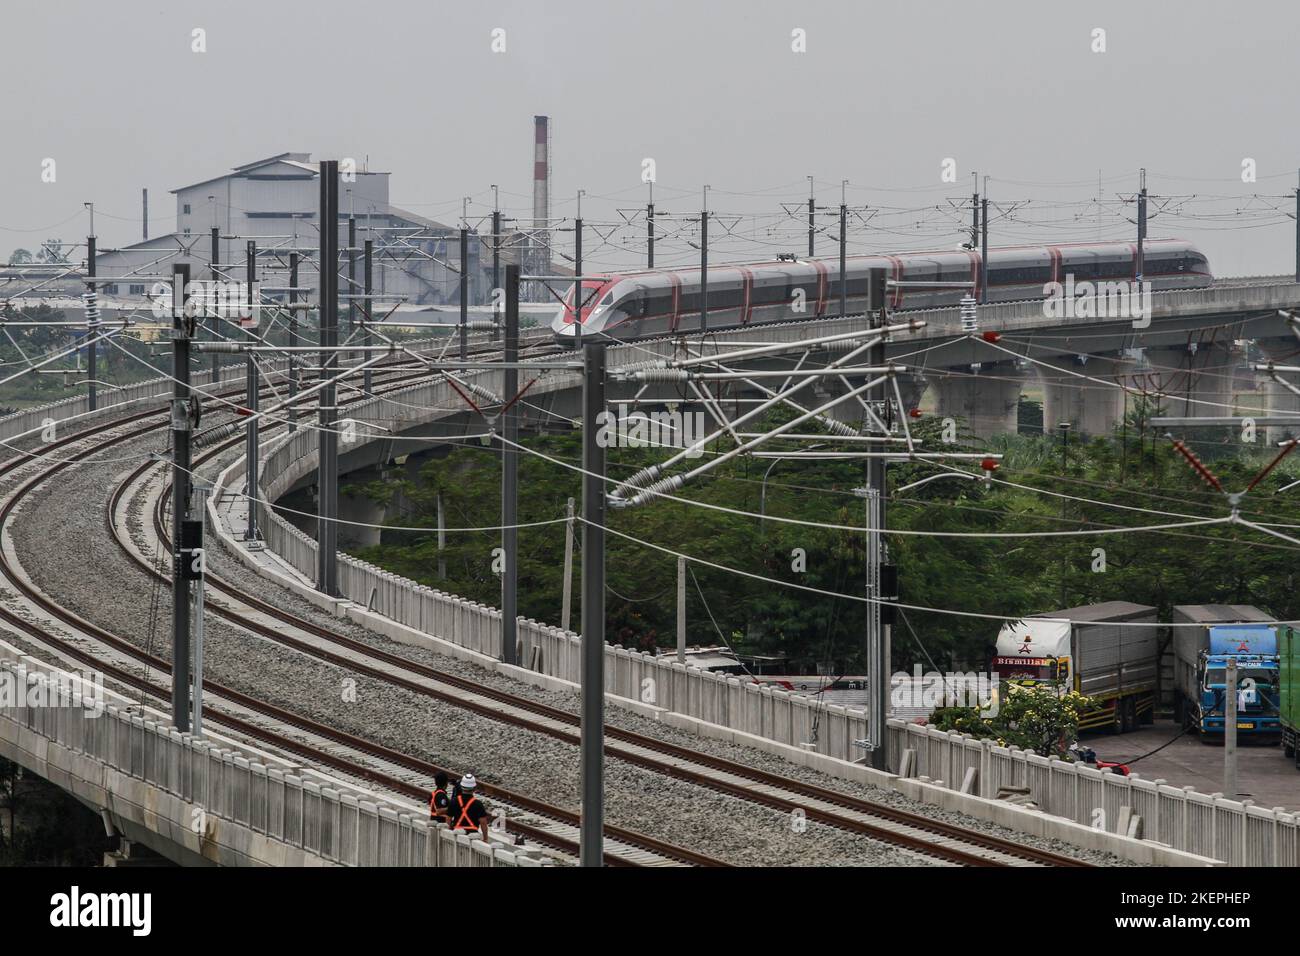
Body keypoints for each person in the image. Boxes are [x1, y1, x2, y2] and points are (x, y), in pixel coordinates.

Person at [451, 773, 490, 839]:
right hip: (472, 838)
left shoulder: (454, 801)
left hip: (456, 836)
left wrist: (449, 832)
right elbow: (483, 822)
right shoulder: (478, 804)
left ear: (461, 786)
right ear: (474, 788)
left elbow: (448, 818)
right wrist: (485, 838)